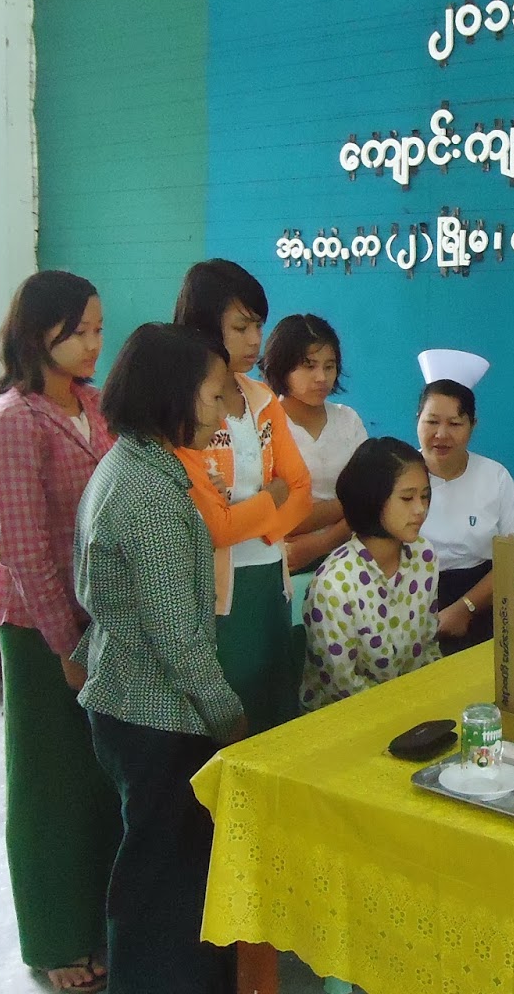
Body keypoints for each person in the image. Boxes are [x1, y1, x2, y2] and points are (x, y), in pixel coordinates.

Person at [73, 323, 248, 994]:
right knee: (160, 883)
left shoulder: (136, 464)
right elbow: (178, 638)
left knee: (161, 869)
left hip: (132, 701)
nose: (221, 410)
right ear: (172, 395)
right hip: (156, 716)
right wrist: (229, 716)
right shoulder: (145, 493)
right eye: (211, 396)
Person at [0, 270, 117, 992]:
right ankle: (56, 939)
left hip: (102, 620)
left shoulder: (94, 407)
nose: (96, 342)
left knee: (98, 783)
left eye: (98, 328)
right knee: (48, 788)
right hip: (40, 631)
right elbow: (26, 551)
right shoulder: (14, 421)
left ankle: (96, 922)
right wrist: (67, 646)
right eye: (81, 330)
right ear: (40, 334)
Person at [173, 260, 313, 730]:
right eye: (241, 326)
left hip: (271, 580)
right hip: (215, 598)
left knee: (273, 711)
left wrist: (252, 516)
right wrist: (269, 499)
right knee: (224, 723)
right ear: (203, 325)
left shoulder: (262, 398)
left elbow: (302, 491)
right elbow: (213, 528)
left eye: (258, 325)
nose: (256, 340)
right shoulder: (181, 408)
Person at [299, 437, 441, 711]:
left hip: (414, 709)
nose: (420, 509)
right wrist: (406, 709)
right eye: (407, 498)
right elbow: (343, 686)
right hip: (345, 721)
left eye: (425, 496)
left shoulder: (424, 555)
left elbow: (428, 648)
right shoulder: (335, 583)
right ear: (373, 499)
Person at [414, 349, 514, 653]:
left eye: (454, 424)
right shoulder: (397, 475)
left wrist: (464, 608)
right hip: (408, 601)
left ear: (473, 425)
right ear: (417, 420)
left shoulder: (494, 477)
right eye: (432, 422)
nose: (441, 434)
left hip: (485, 600)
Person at [261, 313, 367, 575]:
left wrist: (323, 542)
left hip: (353, 557)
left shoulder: (348, 420)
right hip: (284, 559)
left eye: (329, 366)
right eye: (309, 366)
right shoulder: (263, 424)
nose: (321, 377)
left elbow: (372, 500)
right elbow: (271, 514)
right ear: (282, 367)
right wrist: (350, 504)